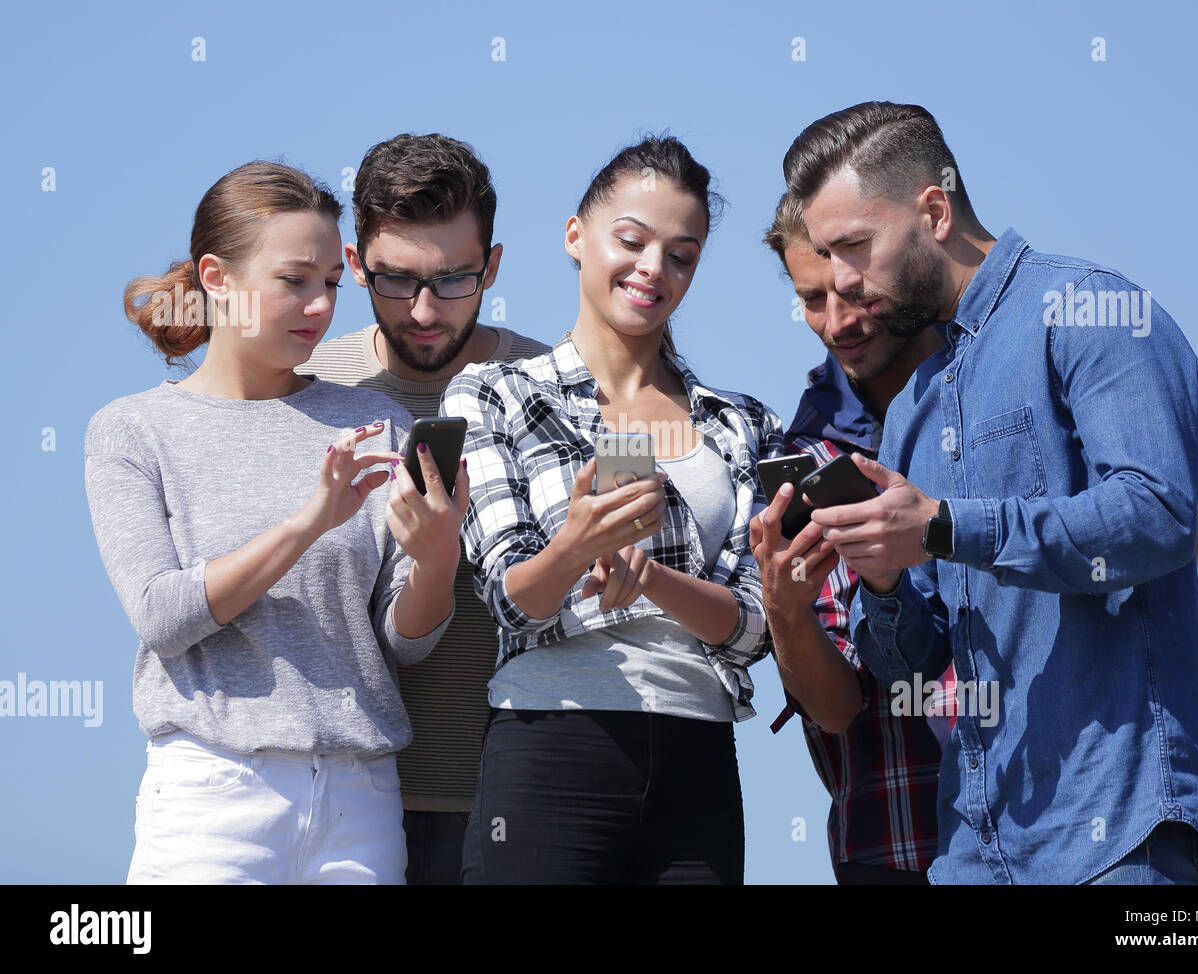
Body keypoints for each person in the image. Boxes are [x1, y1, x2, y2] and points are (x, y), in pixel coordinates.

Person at [783, 101, 1198, 884]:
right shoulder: (914, 409)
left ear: (935, 209)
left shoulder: (1093, 315)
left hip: (1118, 835)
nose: (842, 282)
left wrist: (948, 526)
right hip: (972, 854)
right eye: (825, 254)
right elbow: (909, 667)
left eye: (855, 246)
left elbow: (1158, 516)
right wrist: (882, 578)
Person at [85, 161, 467, 884]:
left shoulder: (375, 422)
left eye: (329, 283)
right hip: (212, 798)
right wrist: (308, 523)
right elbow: (163, 616)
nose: (319, 305)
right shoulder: (134, 431)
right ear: (216, 278)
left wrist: (439, 561)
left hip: (360, 801)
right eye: (294, 280)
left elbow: (401, 642)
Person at [443, 135, 783, 884]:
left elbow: (756, 627)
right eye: (631, 240)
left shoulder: (740, 423)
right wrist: (572, 550)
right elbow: (512, 601)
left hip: (699, 759)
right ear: (576, 236)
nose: (653, 269)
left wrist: (651, 579)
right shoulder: (496, 394)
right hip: (550, 746)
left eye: (682, 254)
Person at [297, 133, 549, 885]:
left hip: (517, 800)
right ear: (353, 264)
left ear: (494, 266)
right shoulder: (303, 385)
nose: (426, 310)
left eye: (455, 279)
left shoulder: (552, 385)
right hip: (336, 807)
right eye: (396, 282)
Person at [753, 191, 942, 884]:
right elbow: (835, 709)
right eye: (810, 299)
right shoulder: (797, 462)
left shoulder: (1010, 396)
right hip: (894, 841)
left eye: (851, 294)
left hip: (1056, 832)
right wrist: (783, 610)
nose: (835, 323)